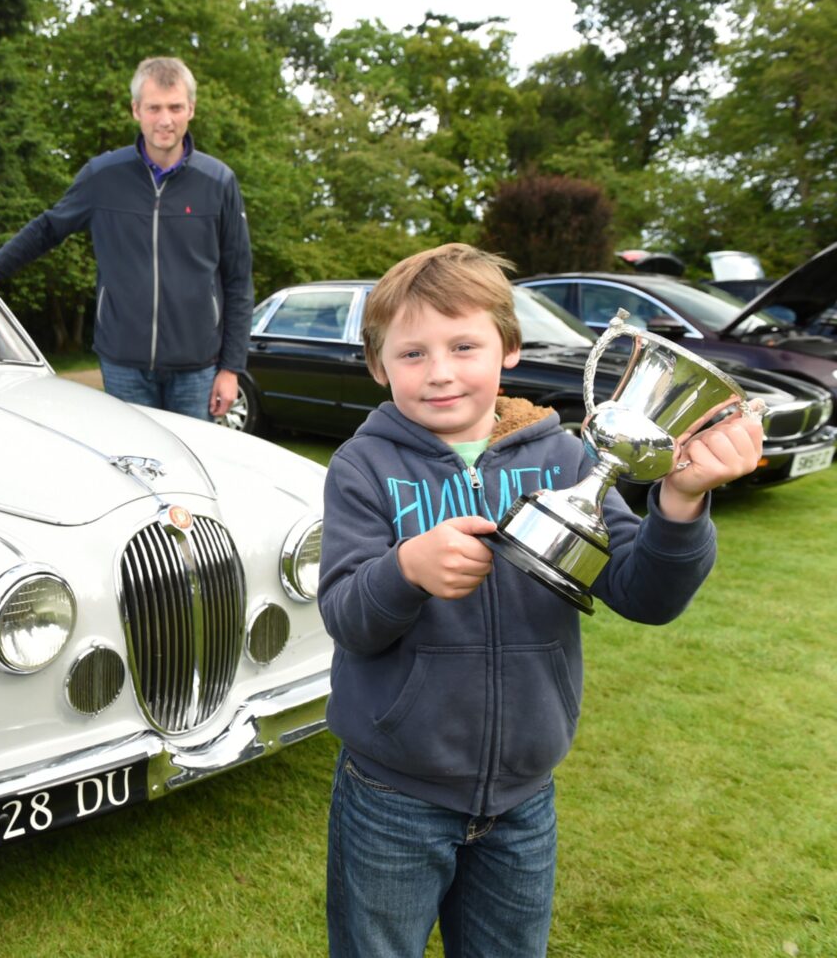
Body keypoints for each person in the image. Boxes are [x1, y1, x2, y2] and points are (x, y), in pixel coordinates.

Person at [316, 243, 763, 957]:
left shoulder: (566, 458)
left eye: (465, 345)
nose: (440, 371)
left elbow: (643, 594)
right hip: (392, 795)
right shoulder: (364, 467)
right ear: (377, 366)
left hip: (524, 798)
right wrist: (406, 567)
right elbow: (346, 616)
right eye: (411, 353)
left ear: (510, 349)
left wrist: (680, 500)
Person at [0, 56, 252, 421]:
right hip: (123, 364)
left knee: (192, 468)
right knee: (131, 465)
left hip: (198, 369)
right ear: (136, 110)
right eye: (154, 108)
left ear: (191, 110)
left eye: (175, 107)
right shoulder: (103, 176)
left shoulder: (218, 182)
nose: (165, 120)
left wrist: (231, 369)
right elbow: (49, 227)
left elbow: (238, 279)